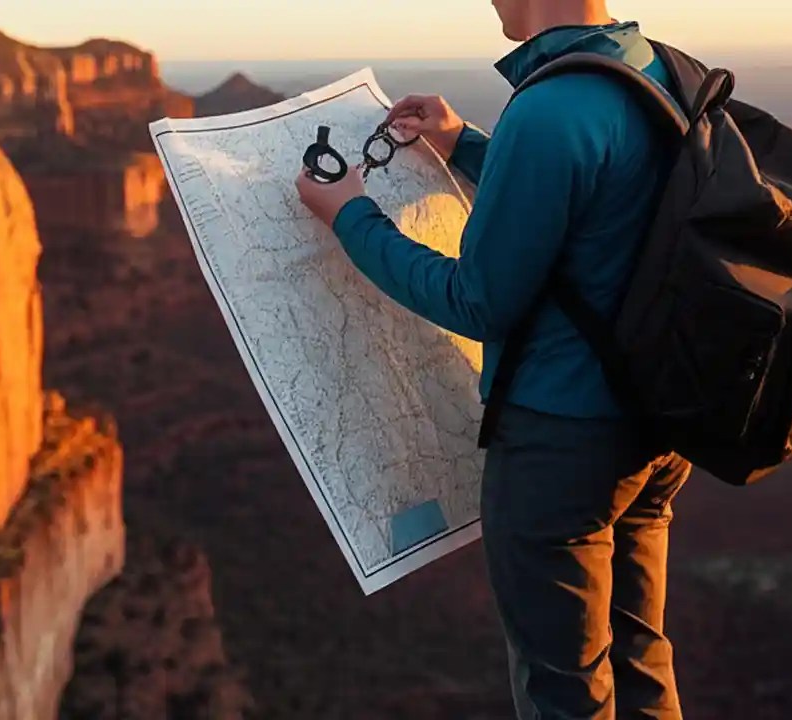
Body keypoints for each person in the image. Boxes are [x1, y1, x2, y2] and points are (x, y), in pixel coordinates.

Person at [295, 1, 693, 718]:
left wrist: (349, 213)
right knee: (639, 660)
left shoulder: (549, 108)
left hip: (561, 447)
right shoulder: (650, 67)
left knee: (564, 693)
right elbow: (597, 196)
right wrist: (463, 145)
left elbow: (477, 301)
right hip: (657, 428)